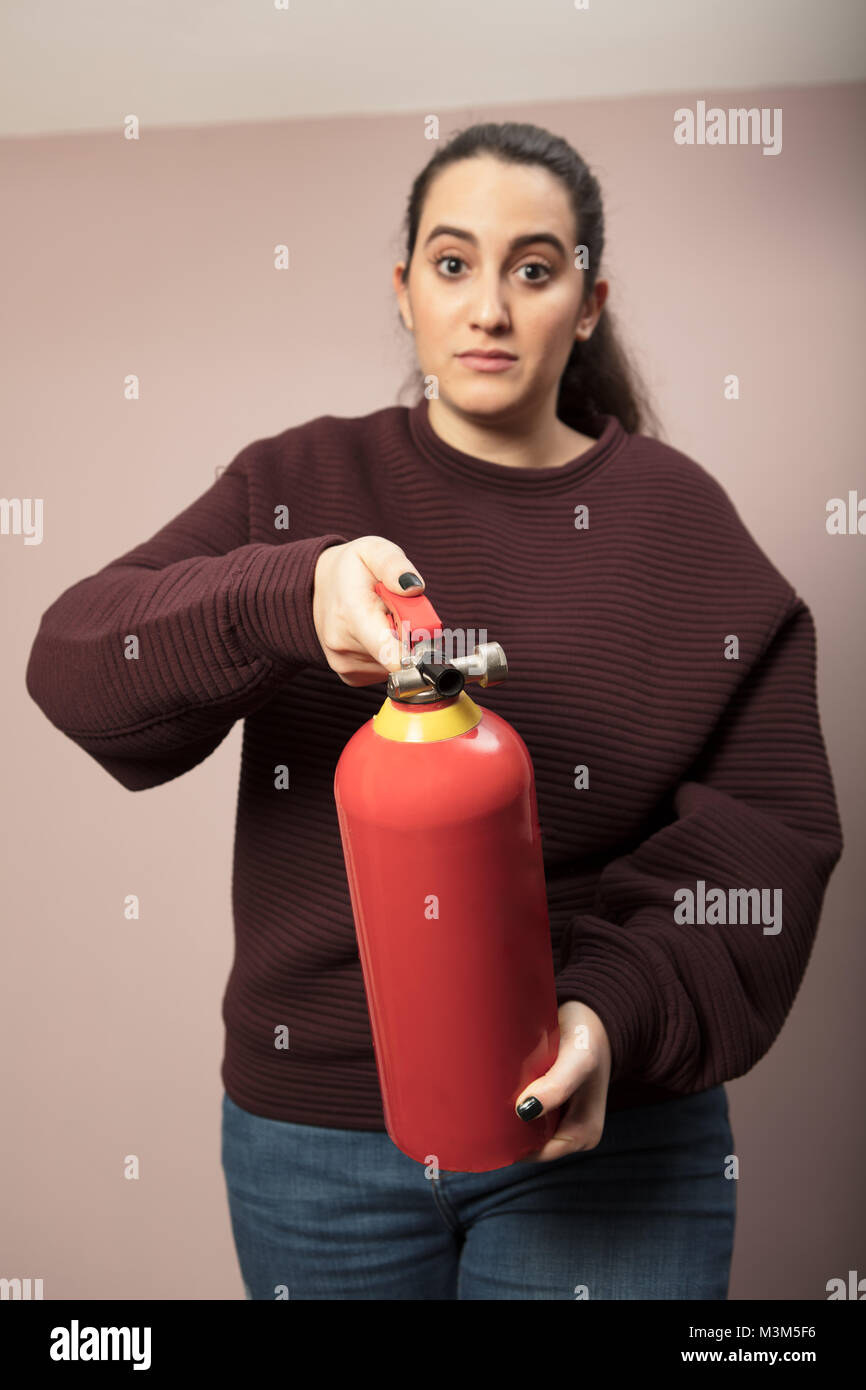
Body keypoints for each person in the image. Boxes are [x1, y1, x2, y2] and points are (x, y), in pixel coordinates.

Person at [24, 121, 843, 1300]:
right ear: (402, 292)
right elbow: (76, 660)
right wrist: (290, 597)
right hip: (313, 1142)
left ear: (589, 300)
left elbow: (767, 842)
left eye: (533, 267)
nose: (490, 310)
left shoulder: (681, 524)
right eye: (452, 265)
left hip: (606, 1133)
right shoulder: (295, 483)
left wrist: (611, 1017)